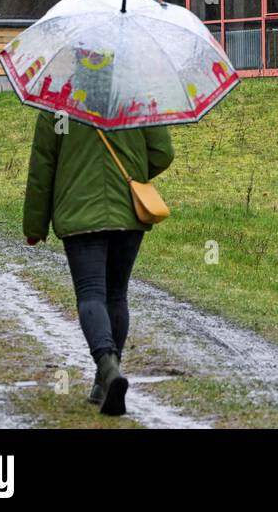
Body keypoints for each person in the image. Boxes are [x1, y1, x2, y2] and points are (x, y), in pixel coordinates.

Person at [23, 112, 174, 416]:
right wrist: (132, 171)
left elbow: (43, 168)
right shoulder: (134, 97)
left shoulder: (57, 106)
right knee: (117, 294)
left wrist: (35, 225)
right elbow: (162, 153)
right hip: (128, 214)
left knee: (91, 294)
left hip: (79, 215)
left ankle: (107, 367)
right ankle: (104, 378)